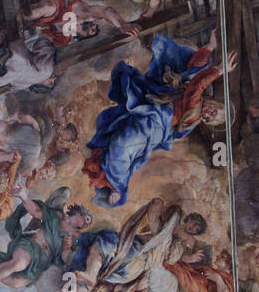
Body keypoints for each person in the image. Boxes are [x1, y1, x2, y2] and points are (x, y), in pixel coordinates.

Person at [84, 34, 234, 206]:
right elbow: (195, 70)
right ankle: (113, 180)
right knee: (123, 139)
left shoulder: (195, 109)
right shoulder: (200, 99)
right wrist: (209, 47)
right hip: (155, 113)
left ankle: (117, 185)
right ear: (214, 103)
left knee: (124, 143)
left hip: (157, 123)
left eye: (210, 118)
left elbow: (196, 85)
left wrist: (220, 70)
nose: (207, 113)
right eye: (213, 110)